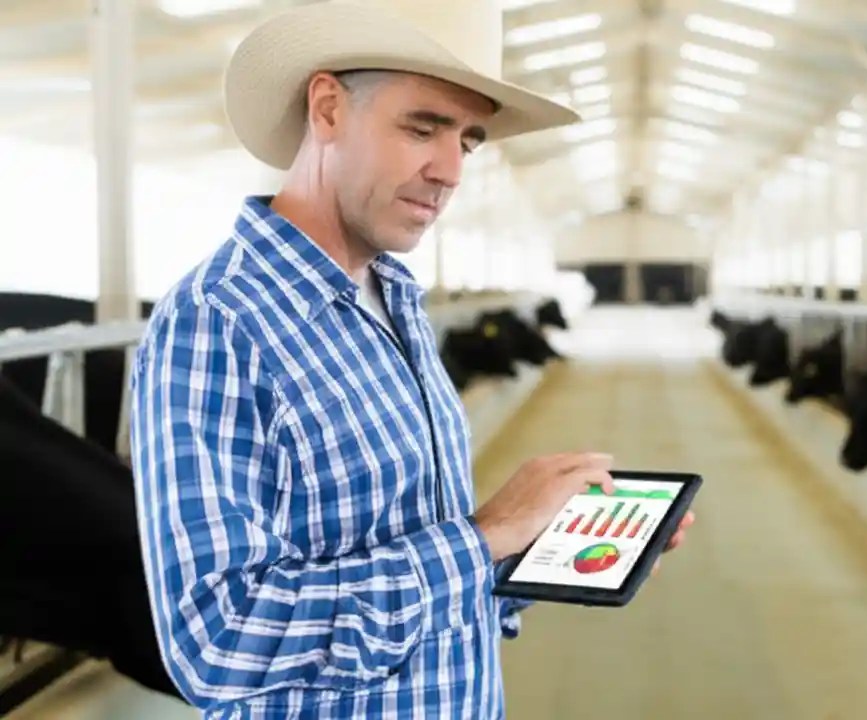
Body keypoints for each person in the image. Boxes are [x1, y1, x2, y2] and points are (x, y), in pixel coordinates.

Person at [127, 2, 693, 718]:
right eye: (421, 128)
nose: (450, 169)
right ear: (327, 108)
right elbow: (218, 643)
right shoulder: (220, 321)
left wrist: (544, 549)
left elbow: (422, 567)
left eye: (470, 140)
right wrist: (487, 533)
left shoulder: (394, 296)